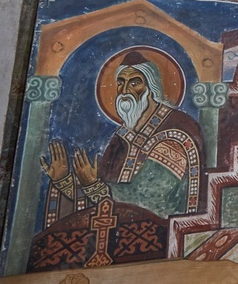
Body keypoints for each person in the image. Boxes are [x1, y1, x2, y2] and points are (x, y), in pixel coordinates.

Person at [40, 51, 204, 220]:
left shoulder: (174, 131)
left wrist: (92, 185)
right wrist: (65, 182)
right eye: (120, 83)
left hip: (159, 234)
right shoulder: (123, 137)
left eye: (135, 83)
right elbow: (103, 203)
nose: (125, 90)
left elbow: (148, 199)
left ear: (152, 87)